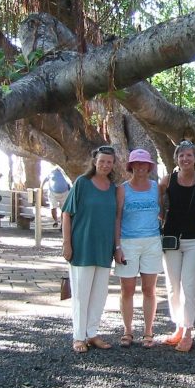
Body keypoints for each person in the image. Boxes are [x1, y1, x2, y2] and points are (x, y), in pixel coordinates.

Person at [62, 145, 118, 353]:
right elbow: (67, 213)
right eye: (102, 160)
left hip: (104, 248)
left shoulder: (113, 188)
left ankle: (92, 333)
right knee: (81, 294)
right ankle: (78, 336)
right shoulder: (82, 184)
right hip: (82, 246)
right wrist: (67, 243)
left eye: (109, 162)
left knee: (99, 294)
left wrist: (116, 247)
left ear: (113, 165)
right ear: (95, 161)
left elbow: (115, 219)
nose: (105, 165)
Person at [158, 140, 195, 352]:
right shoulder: (168, 180)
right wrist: (161, 218)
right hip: (171, 239)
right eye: (181, 156)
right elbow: (158, 201)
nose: (185, 159)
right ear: (176, 159)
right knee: (172, 287)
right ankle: (178, 325)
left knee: (189, 286)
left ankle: (188, 330)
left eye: (189, 155)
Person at [114, 149, 163, 349]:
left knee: (149, 289)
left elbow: (162, 212)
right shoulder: (123, 189)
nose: (141, 167)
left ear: (150, 167)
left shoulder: (156, 188)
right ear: (131, 166)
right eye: (137, 164)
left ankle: (149, 330)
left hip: (152, 241)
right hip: (128, 242)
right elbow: (116, 218)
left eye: (145, 164)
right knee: (127, 289)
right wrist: (117, 246)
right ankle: (127, 330)